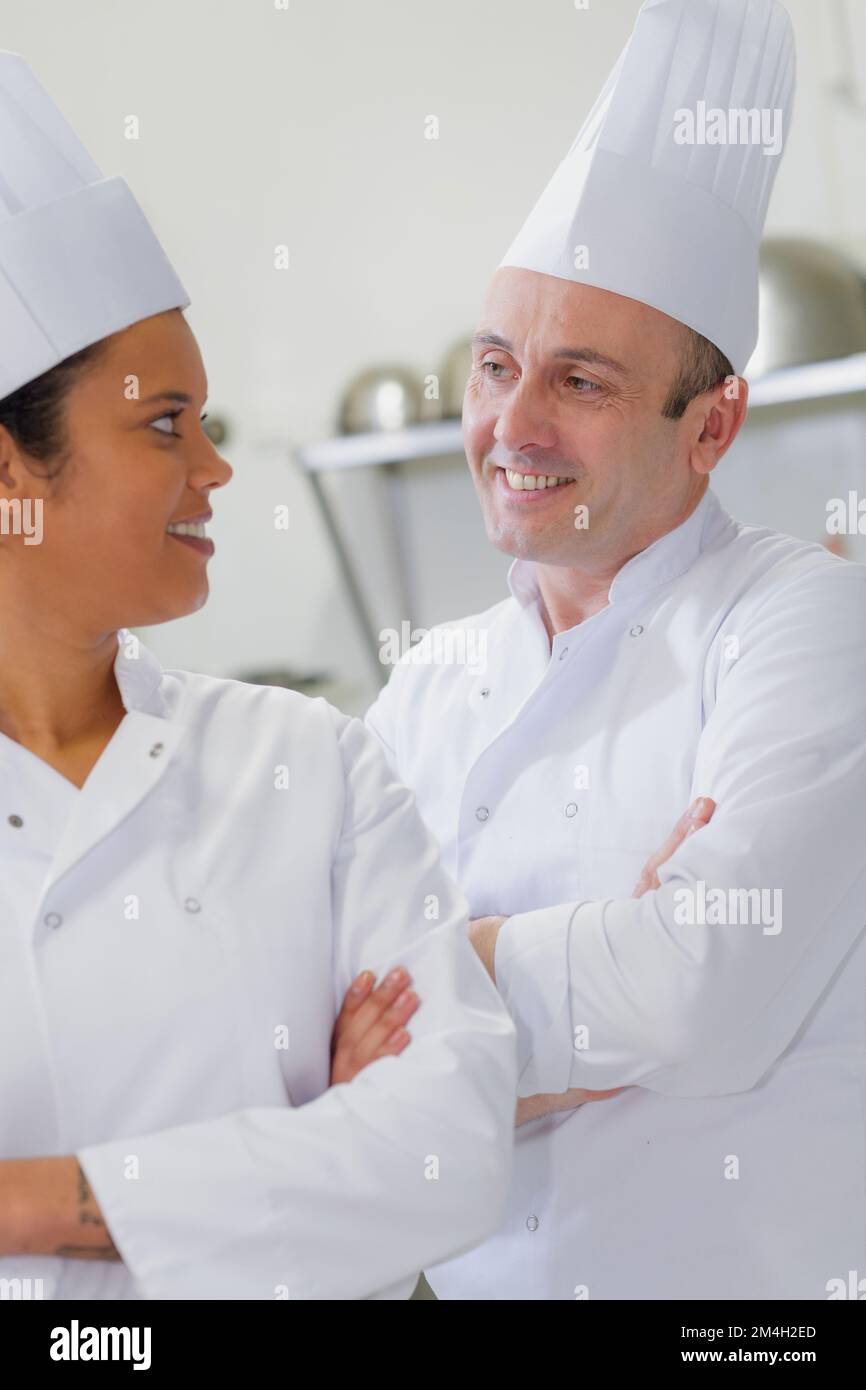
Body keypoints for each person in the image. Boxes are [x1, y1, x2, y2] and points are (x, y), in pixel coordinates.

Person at [365, 0, 866, 1298]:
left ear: (710, 425)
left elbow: (704, 987)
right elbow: (329, 1066)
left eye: (579, 381)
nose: (508, 424)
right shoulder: (424, 689)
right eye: (492, 366)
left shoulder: (802, 618)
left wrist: (443, 998)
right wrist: (621, 977)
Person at [0, 50, 517, 1300]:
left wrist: (41, 1199)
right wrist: (300, 1160)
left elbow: (446, 1150)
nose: (217, 470)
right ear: (15, 472)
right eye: (165, 423)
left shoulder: (307, 763)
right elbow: (368, 1180)